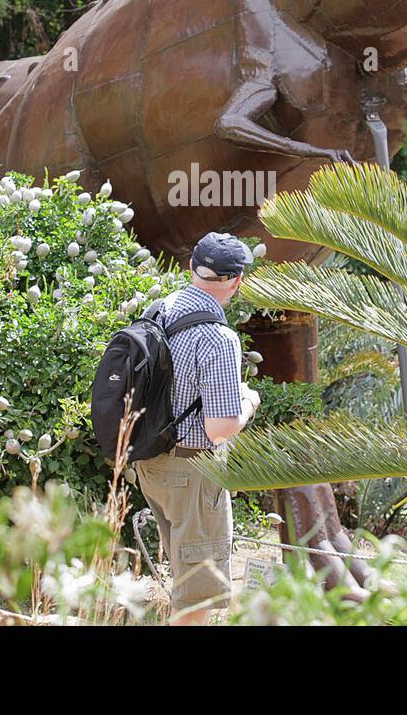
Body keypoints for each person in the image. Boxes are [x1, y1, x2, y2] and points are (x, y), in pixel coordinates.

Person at [134, 231, 262, 625]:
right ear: (237, 281)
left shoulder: (160, 309)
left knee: (183, 579)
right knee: (196, 597)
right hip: (191, 472)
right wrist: (248, 401)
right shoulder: (218, 338)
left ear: (191, 267)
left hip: (150, 463)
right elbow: (221, 427)